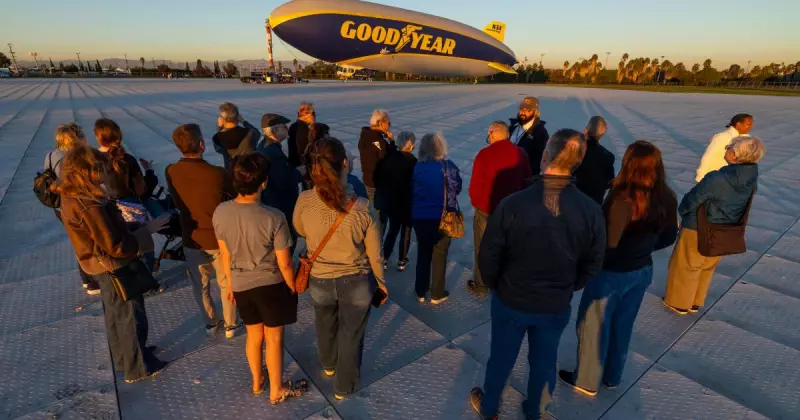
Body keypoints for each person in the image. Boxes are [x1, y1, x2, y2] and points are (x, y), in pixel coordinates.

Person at [470, 129, 605, 420]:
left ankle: (490, 406)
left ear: (544, 156)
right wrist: (569, 285)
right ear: (577, 163)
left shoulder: (514, 204)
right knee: (544, 362)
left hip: (512, 299)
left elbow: (488, 254)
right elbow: (593, 262)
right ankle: (535, 410)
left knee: (501, 358)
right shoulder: (591, 210)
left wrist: (496, 285)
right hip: (554, 303)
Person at [558, 140, 678, 396]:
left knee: (592, 327)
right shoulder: (666, 196)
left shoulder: (621, 198)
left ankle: (586, 380)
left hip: (612, 275)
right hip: (642, 271)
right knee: (622, 327)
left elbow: (608, 246)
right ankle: (613, 376)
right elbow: (669, 237)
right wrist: (642, 248)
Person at [57, 145, 169, 383]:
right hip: (114, 264)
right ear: (89, 172)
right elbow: (115, 245)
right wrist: (145, 231)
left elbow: (106, 233)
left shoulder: (73, 196)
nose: (105, 174)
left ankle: (126, 357)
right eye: (101, 170)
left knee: (116, 313)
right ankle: (137, 367)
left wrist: (132, 228)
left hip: (100, 264)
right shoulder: (88, 204)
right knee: (129, 315)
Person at [293, 137, 387, 400]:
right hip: (355, 280)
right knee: (351, 334)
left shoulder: (303, 200)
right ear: (345, 163)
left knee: (324, 322)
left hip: (320, 278)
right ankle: (343, 386)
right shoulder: (362, 208)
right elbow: (375, 253)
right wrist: (381, 283)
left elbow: (299, 230)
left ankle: (329, 365)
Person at [213, 153, 307, 403]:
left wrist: (231, 285)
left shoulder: (220, 212)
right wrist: (292, 287)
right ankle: (277, 389)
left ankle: (257, 382)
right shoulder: (274, 217)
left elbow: (225, 255)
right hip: (271, 285)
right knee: (274, 339)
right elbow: (285, 262)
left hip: (241, 284)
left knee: (254, 336)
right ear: (263, 182)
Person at [664, 136, 764, 315]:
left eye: (728, 147)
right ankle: (695, 301)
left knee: (687, 265)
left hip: (699, 227)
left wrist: (682, 211)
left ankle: (679, 302)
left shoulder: (718, 178)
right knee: (707, 266)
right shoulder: (751, 179)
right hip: (725, 229)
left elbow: (692, 199)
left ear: (735, 155)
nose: (726, 150)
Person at [165, 123, 240, 338]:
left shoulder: (171, 171)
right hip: (218, 237)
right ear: (201, 144)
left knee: (201, 285)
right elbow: (232, 195)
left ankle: (210, 322)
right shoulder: (216, 173)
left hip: (191, 236)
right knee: (226, 283)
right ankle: (231, 323)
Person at [467, 121, 531, 297]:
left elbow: (475, 185)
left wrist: (477, 202)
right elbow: (527, 181)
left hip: (487, 209)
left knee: (482, 247)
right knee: (509, 248)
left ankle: (481, 285)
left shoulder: (484, 154)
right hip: (512, 211)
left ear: (494, 133)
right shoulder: (521, 154)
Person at [94, 118, 161, 270]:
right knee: (143, 242)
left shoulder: (93, 160)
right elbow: (142, 190)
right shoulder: (127, 159)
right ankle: (148, 275)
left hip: (107, 210)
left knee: (120, 244)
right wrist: (149, 171)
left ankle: (129, 274)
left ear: (98, 137)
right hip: (132, 208)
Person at [46, 122, 99, 294]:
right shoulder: (72, 158)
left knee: (79, 239)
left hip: (60, 207)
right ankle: (90, 279)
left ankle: (86, 278)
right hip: (76, 205)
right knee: (89, 239)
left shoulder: (51, 154)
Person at [411, 133, 462, 304]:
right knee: (440, 255)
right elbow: (457, 188)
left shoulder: (418, 167)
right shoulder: (449, 167)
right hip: (443, 217)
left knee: (423, 254)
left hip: (421, 217)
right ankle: (437, 292)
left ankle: (420, 290)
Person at [374, 131, 417, 271]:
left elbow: (378, 177)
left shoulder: (389, 158)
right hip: (406, 202)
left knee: (392, 230)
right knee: (406, 230)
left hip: (391, 200)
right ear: (410, 145)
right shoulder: (413, 162)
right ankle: (402, 259)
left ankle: (385, 258)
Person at [257, 113, 300, 231]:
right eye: (283, 126)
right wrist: (299, 173)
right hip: (280, 205)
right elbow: (283, 181)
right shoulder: (273, 153)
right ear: (274, 130)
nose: (287, 128)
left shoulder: (265, 146)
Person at [695, 113, 753, 182]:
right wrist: (701, 176)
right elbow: (708, 156)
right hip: (717, 177)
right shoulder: (723, 137)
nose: (751, 127)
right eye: (748, 124)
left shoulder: (745, 139)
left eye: (751, 124)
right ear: (738, 124)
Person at [358, 109, 394, 218]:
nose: (389, 125)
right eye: (388, 123)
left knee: (373, 211)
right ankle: (377, 234)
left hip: (368, 180)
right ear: (381, 123)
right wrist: (391, 142)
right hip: (377, 183)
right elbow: (388, 157)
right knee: (379, 215)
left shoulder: (365, 135)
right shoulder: (377, 140)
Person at [574, 116, 616, 205]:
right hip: (594, 205)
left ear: (586, 130)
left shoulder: (574, 150)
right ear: (602, 134)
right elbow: (609, 182)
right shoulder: (608, 156)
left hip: (572, 202)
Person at [212, 102, 259, 172]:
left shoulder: (217, 138)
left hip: (231, 173)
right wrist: (244, 122)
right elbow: (257, 133)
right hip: (249, 172)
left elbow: (218, 148)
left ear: (221, 119)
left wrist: (219, 127)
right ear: (237, 117)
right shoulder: (250, 133)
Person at [510, 96, 550, 174]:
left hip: (527, 175)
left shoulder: (540, 132)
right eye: (521, 109)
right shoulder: (512, 127)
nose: (523, 112)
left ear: (535, 112)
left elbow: (542, 158)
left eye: (528, 110)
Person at [287, 102, 316, 169]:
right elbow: (301, 150)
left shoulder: (294, 125)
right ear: (306, 114)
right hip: (300, 166)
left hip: (294, 164)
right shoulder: (303, 129)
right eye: (313, 113)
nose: (314, 116)